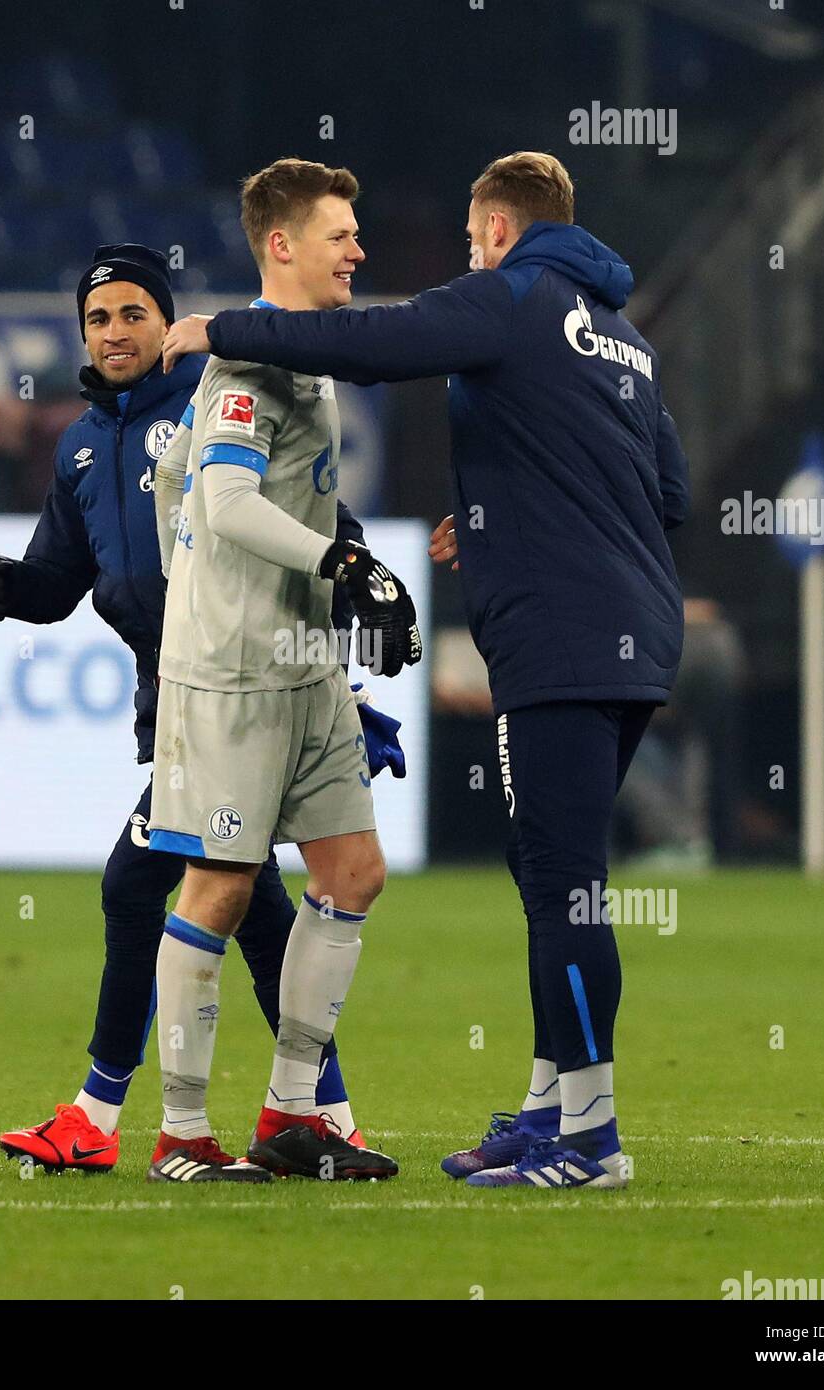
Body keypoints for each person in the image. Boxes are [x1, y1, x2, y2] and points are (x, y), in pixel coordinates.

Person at [164, 152, 689, 1190]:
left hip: (557, 639)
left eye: (466, 242)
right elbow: (660, 487)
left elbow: (379, 342)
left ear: (495, 230)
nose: (461, 259)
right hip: (634, 629)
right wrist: (519, 513)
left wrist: (224, 327)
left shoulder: (511, 296)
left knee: (564, 889)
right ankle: (547, 1110)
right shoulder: (622, 338)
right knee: (551, 874)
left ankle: (588, 1138)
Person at [0, 243, 388, 1177]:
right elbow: (63, 578)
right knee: (253, 906)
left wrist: (343, 651)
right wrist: (10, 588)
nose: (115, 333)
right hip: (180, 695)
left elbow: (310, 520)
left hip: (235, 684)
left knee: (142, 886)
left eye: (131, 313)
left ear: (166, 321)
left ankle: (104, 1118)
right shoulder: (80, 445)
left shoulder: (216, 396)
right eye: (97, 319)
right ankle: (322, 1116)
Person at [147, 158, 421, 1183]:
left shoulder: (302, 364)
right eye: (339, 234)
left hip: (303, 668)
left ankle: (290, 1114)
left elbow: (291, 503)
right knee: (217, 887)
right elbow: (222, 502)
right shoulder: (246, 369)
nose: (357, 249)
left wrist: (343, 575)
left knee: (352, 872)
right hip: (231, 672)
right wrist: (342, 559)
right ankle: (179, 1133)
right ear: (281, 246)